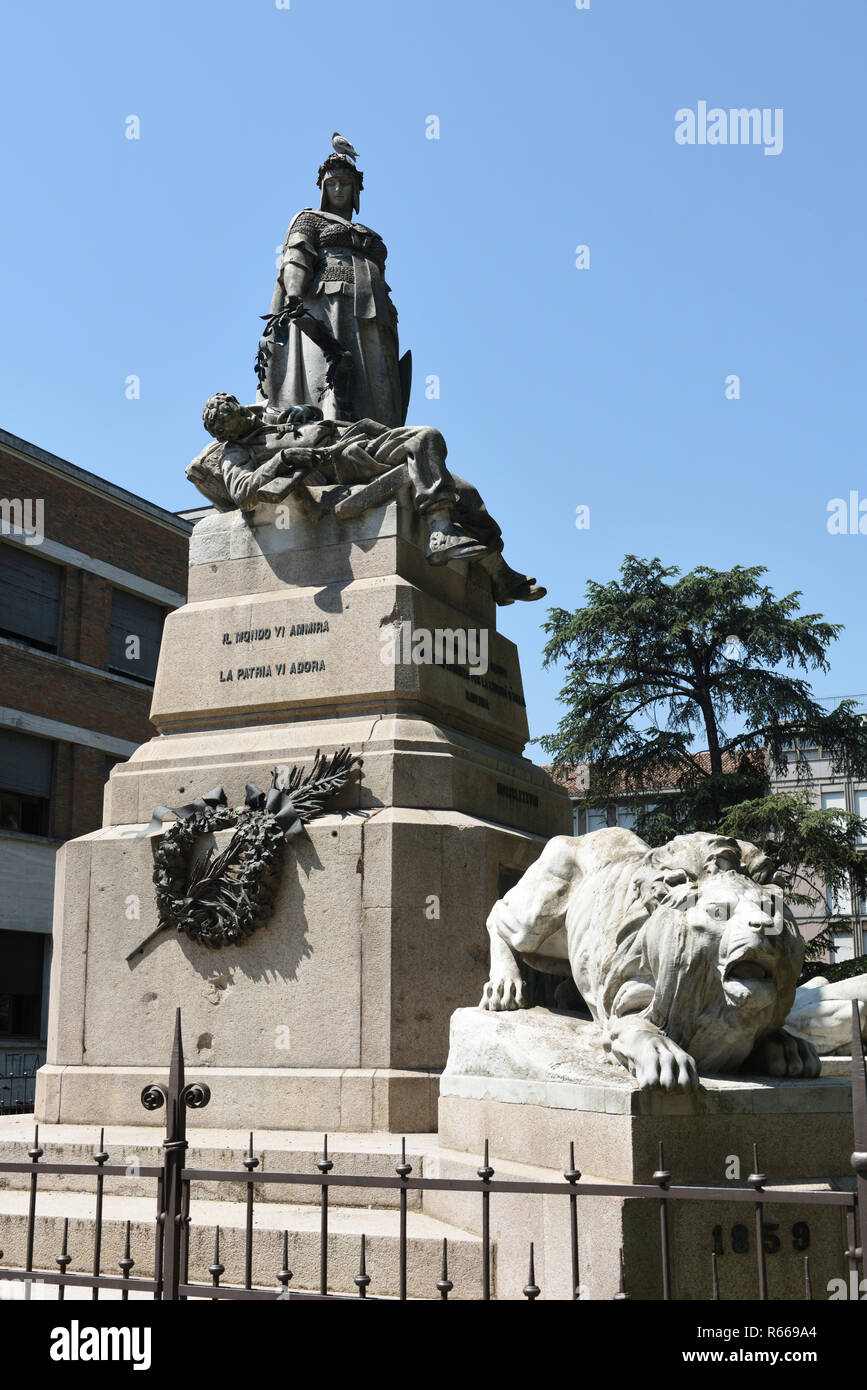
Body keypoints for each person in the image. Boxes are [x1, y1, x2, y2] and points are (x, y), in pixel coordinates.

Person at [187, 395, 546, 606]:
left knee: (462, 488)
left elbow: (300, 419)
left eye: (240, 412)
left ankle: (498, 573)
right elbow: (243, 493)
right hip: (342, 465)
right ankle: (441, 531)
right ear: (225, 436)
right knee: (424, 437)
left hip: (356, 437)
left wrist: (304, 413)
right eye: (235, 425)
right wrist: (281, 459)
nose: (246, 419)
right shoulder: (235, 453)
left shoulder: (265, 413)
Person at [259, 153, 409, 427]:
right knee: (331, 368)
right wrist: (294, 293)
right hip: (328, 303)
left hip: (375, 311)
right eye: (331, 184)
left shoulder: (371, 235)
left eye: (344, 183)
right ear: (323, 189)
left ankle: (375, 428)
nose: (338, 189)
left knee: (376, 378)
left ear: (356, 190)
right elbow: (296, 257)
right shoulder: (309, 219)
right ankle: (328, 421)